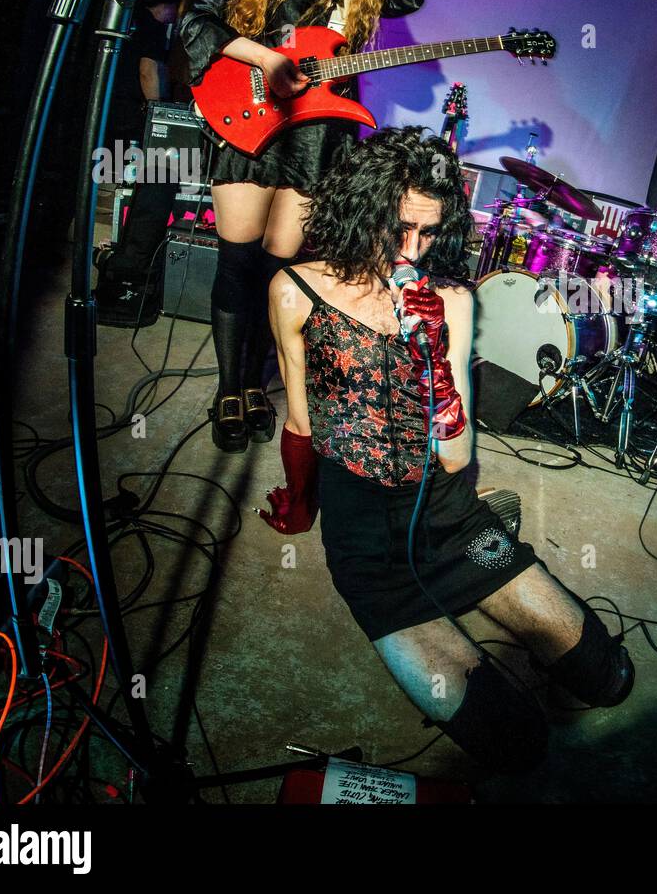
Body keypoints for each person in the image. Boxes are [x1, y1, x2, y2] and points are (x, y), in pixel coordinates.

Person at [260, 127, 635, 773]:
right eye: (399, 227)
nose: (413, 249)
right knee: (516, 744)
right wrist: (300, 502)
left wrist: (434, 358)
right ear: (362, 207)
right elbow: (299, 420)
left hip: (448, 509)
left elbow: (458, 454)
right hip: (365, 538)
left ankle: (491, 525)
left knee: (608, 677)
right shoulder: (295, 291)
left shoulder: (453, 302)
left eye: (429, 233)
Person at [180, 0, 424, 451]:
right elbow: (198, 23)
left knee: (275, 267)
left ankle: (254, 383)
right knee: (236, 261)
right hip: (255, 113)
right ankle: (229, 390)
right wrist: (267, 57)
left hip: (320, 137)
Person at [95, 0, 183, 327]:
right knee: (159, 172)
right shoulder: (150, 28)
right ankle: (131, 258)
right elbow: (149, 71)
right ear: (167, 5)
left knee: (140, 176)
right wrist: (161, 112)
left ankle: (124, 253)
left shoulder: (130, 22)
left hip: (113, 110)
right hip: (133, 113)